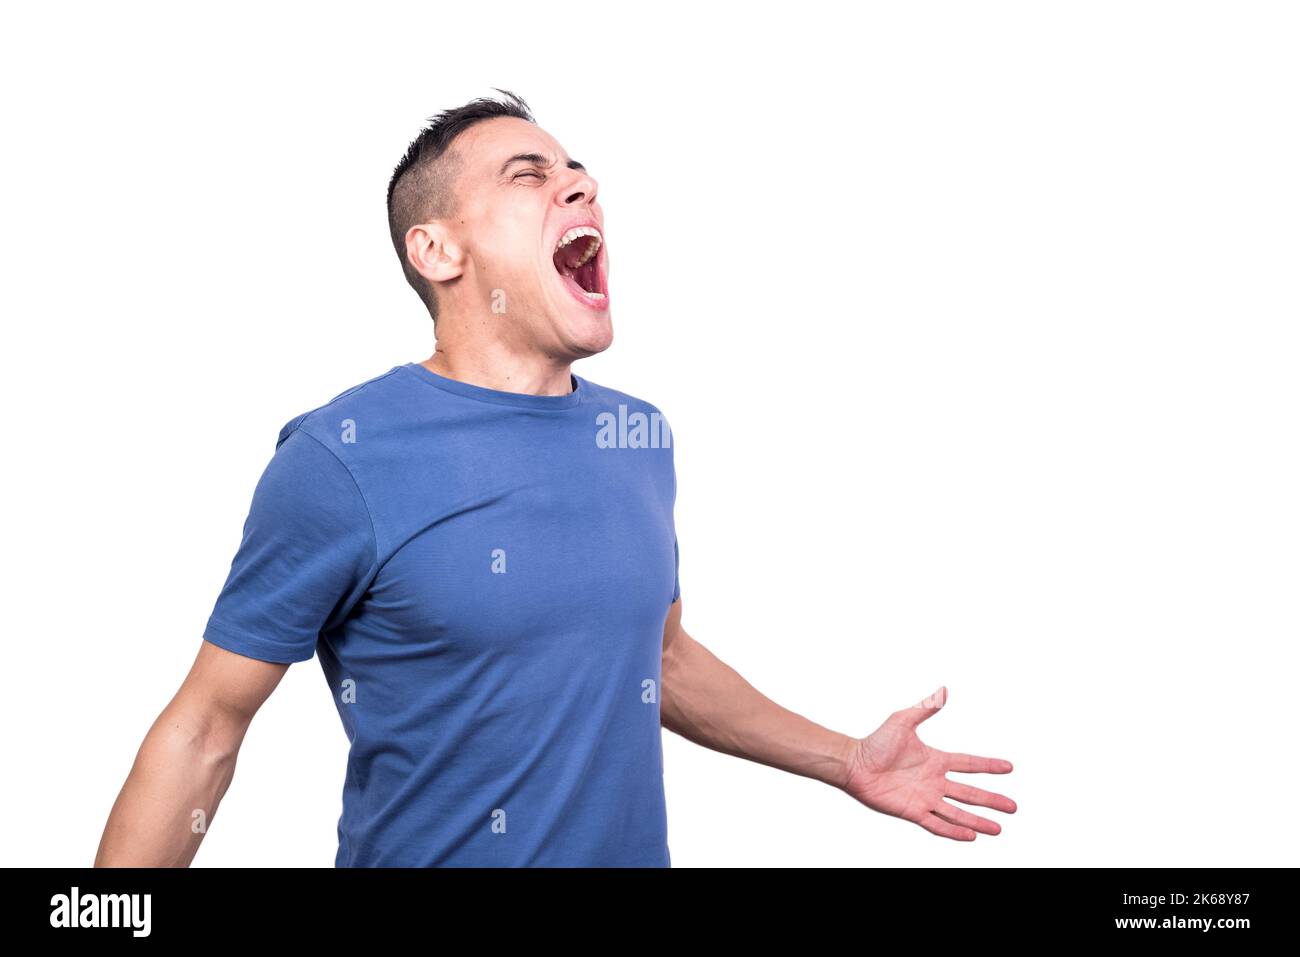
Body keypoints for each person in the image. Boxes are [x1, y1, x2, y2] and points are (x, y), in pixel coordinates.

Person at [95, 90, 1017, 867]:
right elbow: (206, 728)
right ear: (439, 252)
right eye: (527, 175)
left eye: (576, 171)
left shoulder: (636, 437)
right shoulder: (341, 457)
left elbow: (658, 663)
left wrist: (847, 756)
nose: (580, 183)